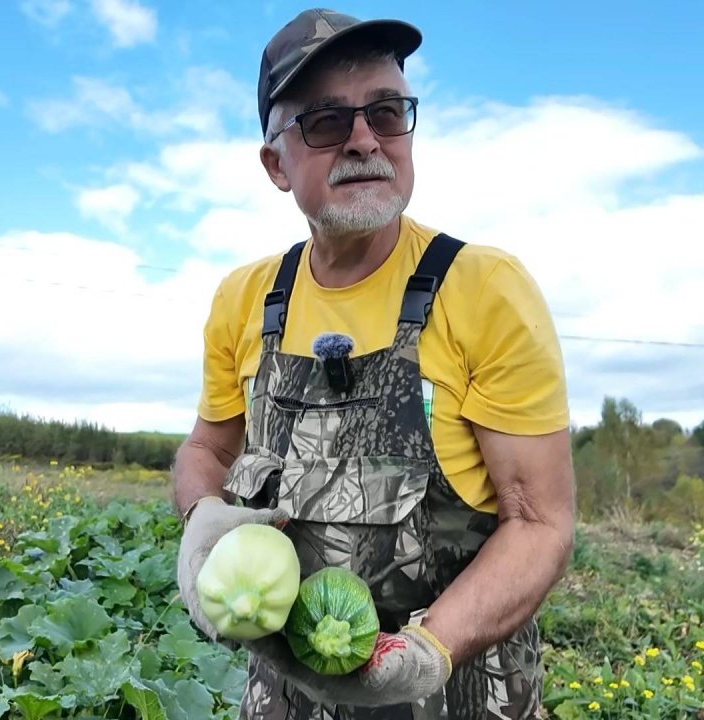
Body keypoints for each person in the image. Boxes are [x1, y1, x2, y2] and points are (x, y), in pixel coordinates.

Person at [174, 8, 576, 719]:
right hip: (286, 698)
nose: (365, 140)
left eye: (387, 113)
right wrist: (203, 514)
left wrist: (425, 654)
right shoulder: (245, 300)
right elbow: (207, 447)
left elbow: (540, 521)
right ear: (275, 163)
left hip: (460, 696)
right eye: (327, 122)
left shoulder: (483, 290)